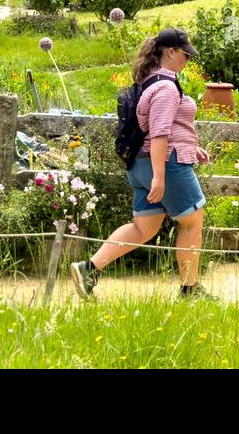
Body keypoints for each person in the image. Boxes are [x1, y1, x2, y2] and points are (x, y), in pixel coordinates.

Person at [70, 29, 212, 300]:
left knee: (143, 227)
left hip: (140, 164)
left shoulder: (149, 82)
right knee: (192, 222)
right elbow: (159, 133)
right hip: (166, 164)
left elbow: (162, 128)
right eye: (184, 55)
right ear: (170, 52)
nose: (187, 60)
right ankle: (190, 290)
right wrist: (160, 176)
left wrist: (191, 146)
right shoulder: (166, 87)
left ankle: (88, 269)